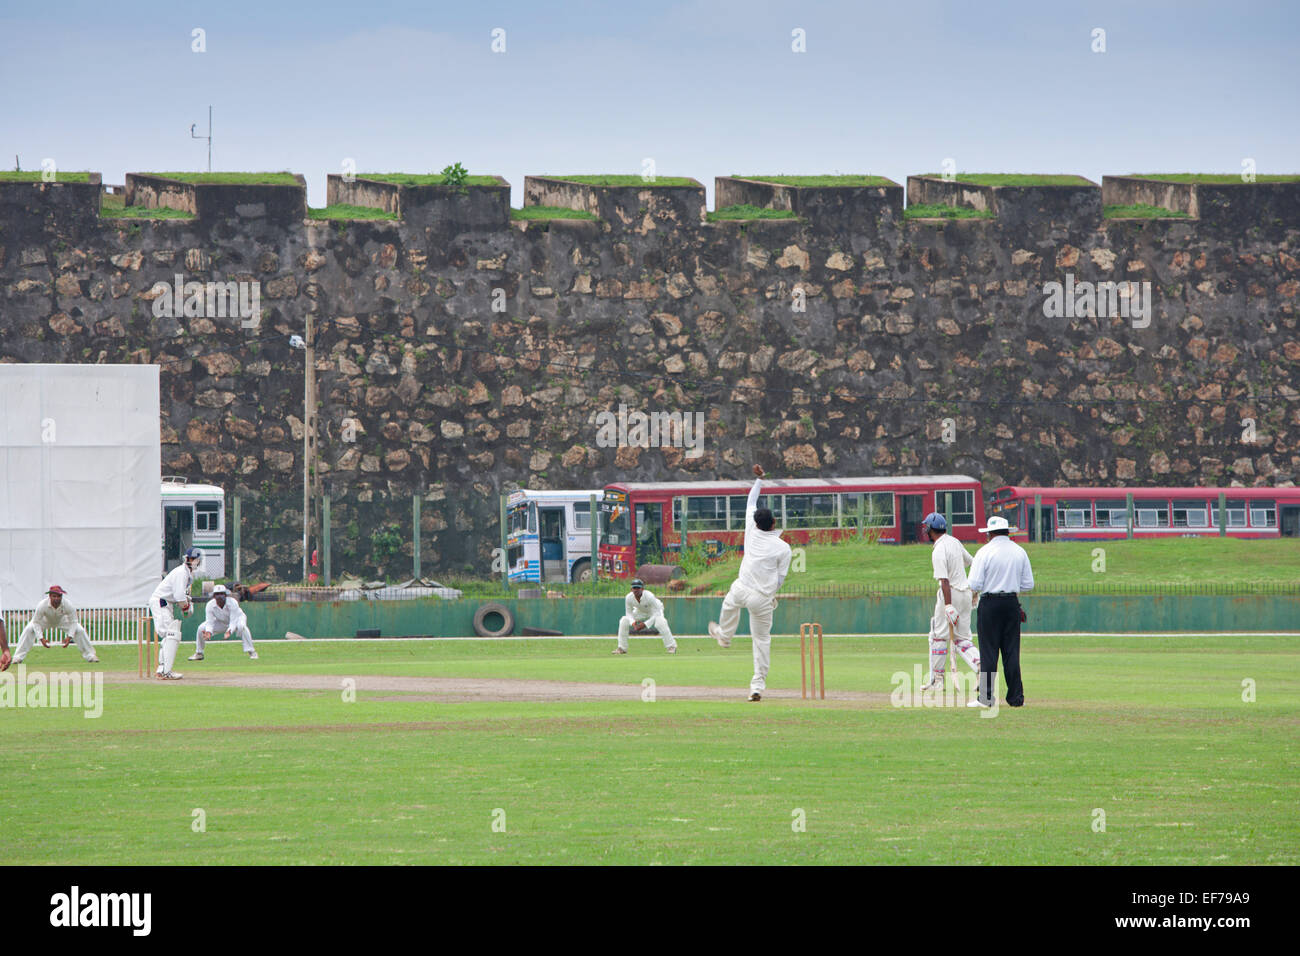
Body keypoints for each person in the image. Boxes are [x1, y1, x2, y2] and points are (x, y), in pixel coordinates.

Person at [709, 465, 792, 701]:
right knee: (762, 641)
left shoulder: (750, 529)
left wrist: (759, 479)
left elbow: (751, 500)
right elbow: (781, 578)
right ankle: (757, 687)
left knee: (729, 604)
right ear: (774, 523)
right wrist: (769, 593)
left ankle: (724, 636)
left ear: (756, 523)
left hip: (741, 589)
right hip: (762, 598)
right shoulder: (783, 547)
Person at [966, 515, 1034, 708]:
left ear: (990, 533)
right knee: (1011, 652)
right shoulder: (1020, 551)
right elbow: (1028, 584)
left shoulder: (984, 552)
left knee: (989, 653)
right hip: (1011, 603)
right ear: (1007, 532)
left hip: (990, 604)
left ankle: (986, 698)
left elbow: (974, 583)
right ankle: (1016, 698)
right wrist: (1010, 584)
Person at [919, 513, 979, 691]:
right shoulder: (954, 541)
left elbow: (944, 580)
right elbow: (973, 563)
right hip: (965, 593)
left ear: (930, 529)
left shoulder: (938, 550)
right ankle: (981, 668)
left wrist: (948, 605)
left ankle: (937, 681)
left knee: (938, 636)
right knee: (963, 639)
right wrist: (973, 589)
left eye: (926, 528)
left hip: (950, 593)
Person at [10, 585, 100, 665]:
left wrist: (69, 637)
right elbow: (36, 622)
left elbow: (73, 621)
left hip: (62, 620)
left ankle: (90, 656)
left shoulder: (68, 604)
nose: (57, 598)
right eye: (54, 596)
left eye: (59, 596)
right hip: (45, 620)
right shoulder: (42, 605)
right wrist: (41, 638)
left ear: (62, 596)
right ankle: (17, 657)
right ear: (50, 596)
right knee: (29, 629)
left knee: (79, 630)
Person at [150, 547, 203, 680]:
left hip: (166, 604)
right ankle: (165, 671)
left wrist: (187, 603)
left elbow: (183, 595)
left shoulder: (188, 574)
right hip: (161, 602)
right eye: (191, 559)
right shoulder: (181, 573)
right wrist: (185, 607)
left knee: (169, 636)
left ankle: (162, 670)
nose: (192, 561)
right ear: (187, 559)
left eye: (195, 559)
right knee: (170, 635)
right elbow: (179, 596)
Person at [191, 583, 257, 661]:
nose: (219, 596)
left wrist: (229, 631)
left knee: (241, 626)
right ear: (214, 596)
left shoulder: (232, 602)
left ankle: (251, 651)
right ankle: (199, 653)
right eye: (217, 594)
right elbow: (210, 622)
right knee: (201, 628)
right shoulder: (210, 605)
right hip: (221, 622)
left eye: (221, 594)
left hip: (238, 619)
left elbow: (233, 621)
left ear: (225, 595)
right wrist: (208, 632)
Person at [613, 578, 676, 655]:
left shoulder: (649, 596)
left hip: (655, 611)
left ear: (642, 589)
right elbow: (628, 614)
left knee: (660, 622)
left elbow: (656, 613)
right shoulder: (628, 597)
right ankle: (622, 648)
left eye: (638, 588)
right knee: (624, 620)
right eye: (634, 588)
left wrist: (644, 624)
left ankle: (671, 646)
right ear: (631, 589)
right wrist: (633, 623)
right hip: (640, 611)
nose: (636, 590)